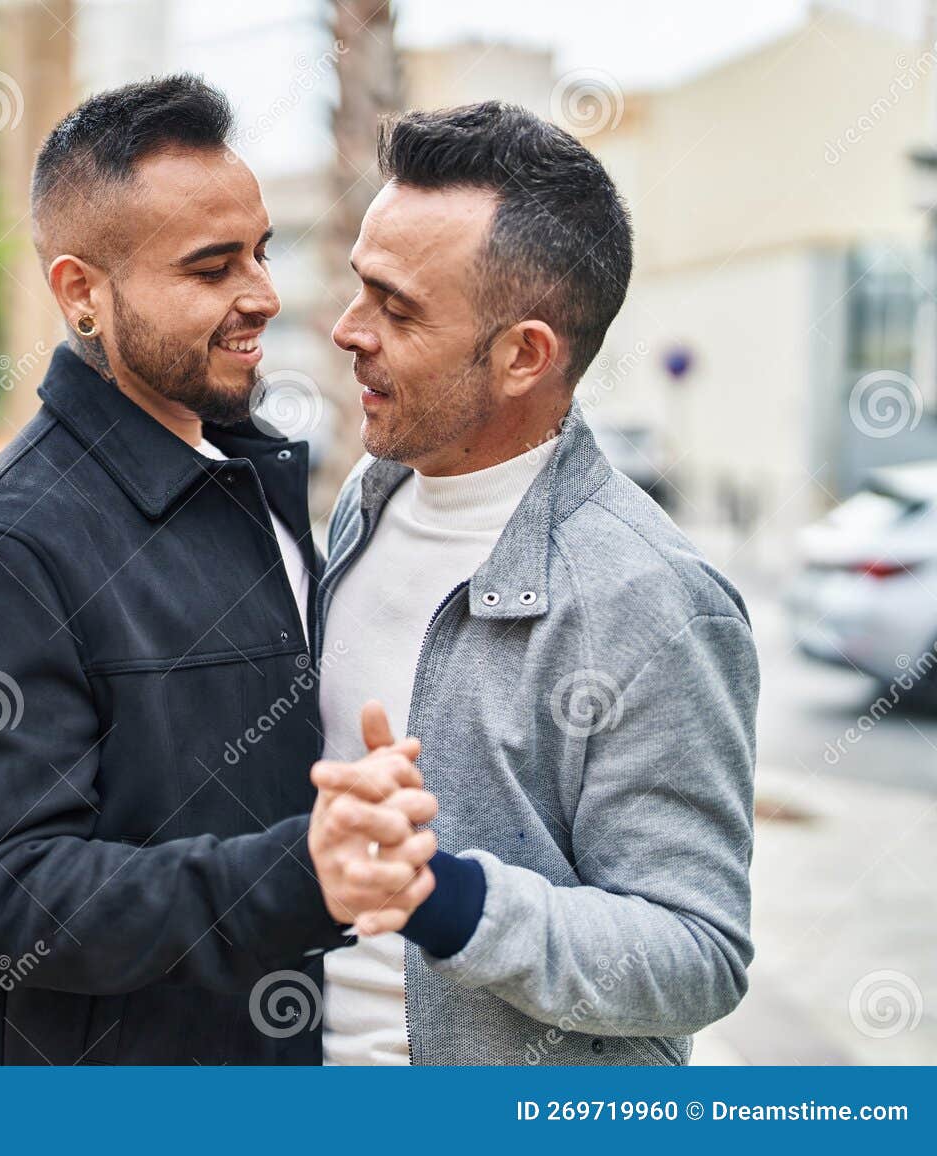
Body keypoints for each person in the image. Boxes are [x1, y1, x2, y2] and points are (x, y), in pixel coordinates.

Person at [0, 75, 443, 1066]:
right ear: (80, 293)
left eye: (262, 253)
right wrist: (295, 876)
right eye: (209, 268)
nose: (263, 296)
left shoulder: (256, 480)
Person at [312, 102, 760, 1065]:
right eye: (360, 289)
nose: (348, 331)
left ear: (525, 356)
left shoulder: (654, 601)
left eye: (398, 309)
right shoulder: (369, 494)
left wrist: (450, 902)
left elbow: (699, 953)